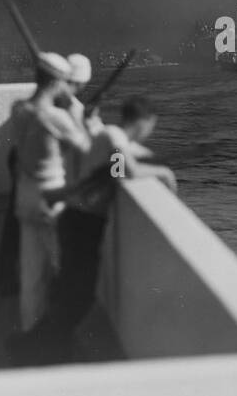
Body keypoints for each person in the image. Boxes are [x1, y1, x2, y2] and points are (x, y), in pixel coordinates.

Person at [54, 97, 176, 351]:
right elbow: (125, 171)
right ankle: (49, 344)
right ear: (144, 122)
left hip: (78, 217)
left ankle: (52, 341)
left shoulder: (110, 135)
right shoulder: (113, 137)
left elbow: (128, 157)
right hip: (83, 220)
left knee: (73, 286)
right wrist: (164, 173)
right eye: (151, 125)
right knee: (81, 289)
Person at [7, 52, 93, 347]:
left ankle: (31, 332)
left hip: (25, 195)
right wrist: (79, 117)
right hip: (51, 198)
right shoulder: (55, 117)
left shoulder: (19, 109)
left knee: (31, 272)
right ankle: (59, 336)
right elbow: (86, 148)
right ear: (57, 82)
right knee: (61, 268)